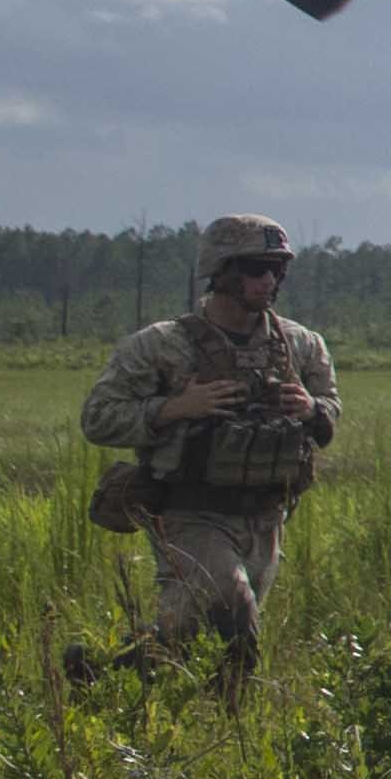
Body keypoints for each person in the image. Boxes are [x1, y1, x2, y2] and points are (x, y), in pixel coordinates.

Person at [72, 211, 340, 691]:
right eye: (256, 268)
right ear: (222, 271)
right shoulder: (161, 346)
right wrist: (173, 408)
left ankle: (98, 681)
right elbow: (97, 417)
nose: (268, 280)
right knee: (235, 611)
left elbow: (330, 415)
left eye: (277, 269)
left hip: (266, 515)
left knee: (185, 633)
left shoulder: (299, 346)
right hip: (189, 512)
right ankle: (232, 721)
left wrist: (311, 408)